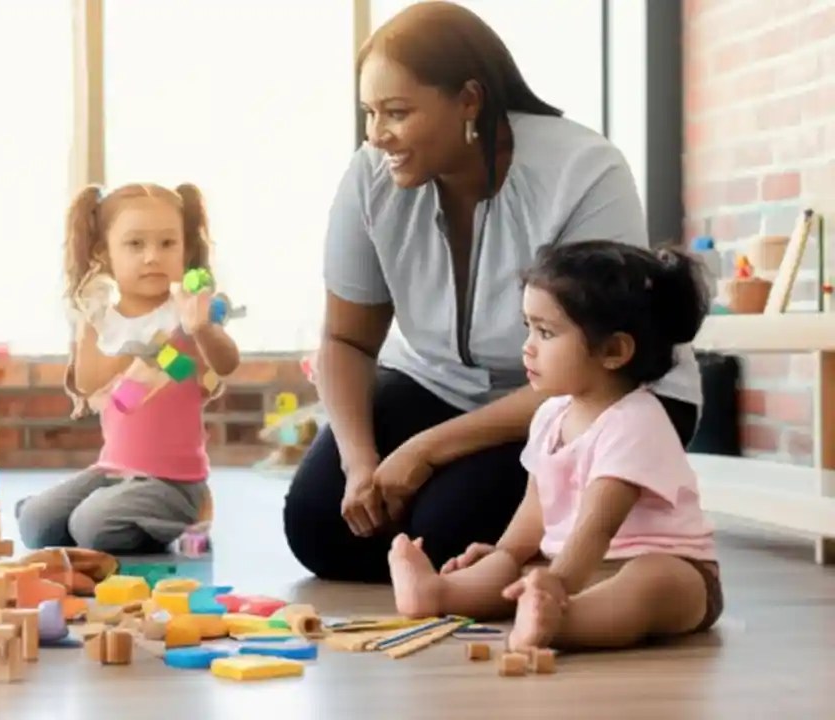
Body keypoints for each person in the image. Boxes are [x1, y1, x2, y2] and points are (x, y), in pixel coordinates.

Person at [283, 0, 703, 582]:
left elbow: (596, 368)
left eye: (397, 113)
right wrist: (361, 464)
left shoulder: (582, 171)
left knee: (438, 528)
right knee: (318, 526)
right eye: (369, 113)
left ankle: (554, 552)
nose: (377, 136)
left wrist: (425, 450)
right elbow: (348, 340)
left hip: (596, 391)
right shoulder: (370, 177)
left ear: (469, 101)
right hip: (440, 383)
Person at [388, 240, 721, 652]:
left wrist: (559, 586)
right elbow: (537, 508)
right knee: (513, 566)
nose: (527, 346)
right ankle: (437, 594)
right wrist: (503, 554)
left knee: (649, 582)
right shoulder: (551, 414)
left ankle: (561, 620)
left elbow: (597, 527)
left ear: (614, 351)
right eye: (528, 327)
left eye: (545, 332)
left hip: (672, 572)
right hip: (574, 568)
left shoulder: (636, 421)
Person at [15, 183, 240, 554]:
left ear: (185, 249)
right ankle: (96, 518)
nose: (152, 256)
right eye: (135, 245)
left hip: (174, 482)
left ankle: (189, 514)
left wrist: (200, 330)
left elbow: (226, 364)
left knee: (92, 526)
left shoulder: (187, 312)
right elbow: (89, 383)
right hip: (113, 471)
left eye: (167, 244)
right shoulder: (103, 319)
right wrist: (93, 324)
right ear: (105, 254)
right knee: (36, 523)